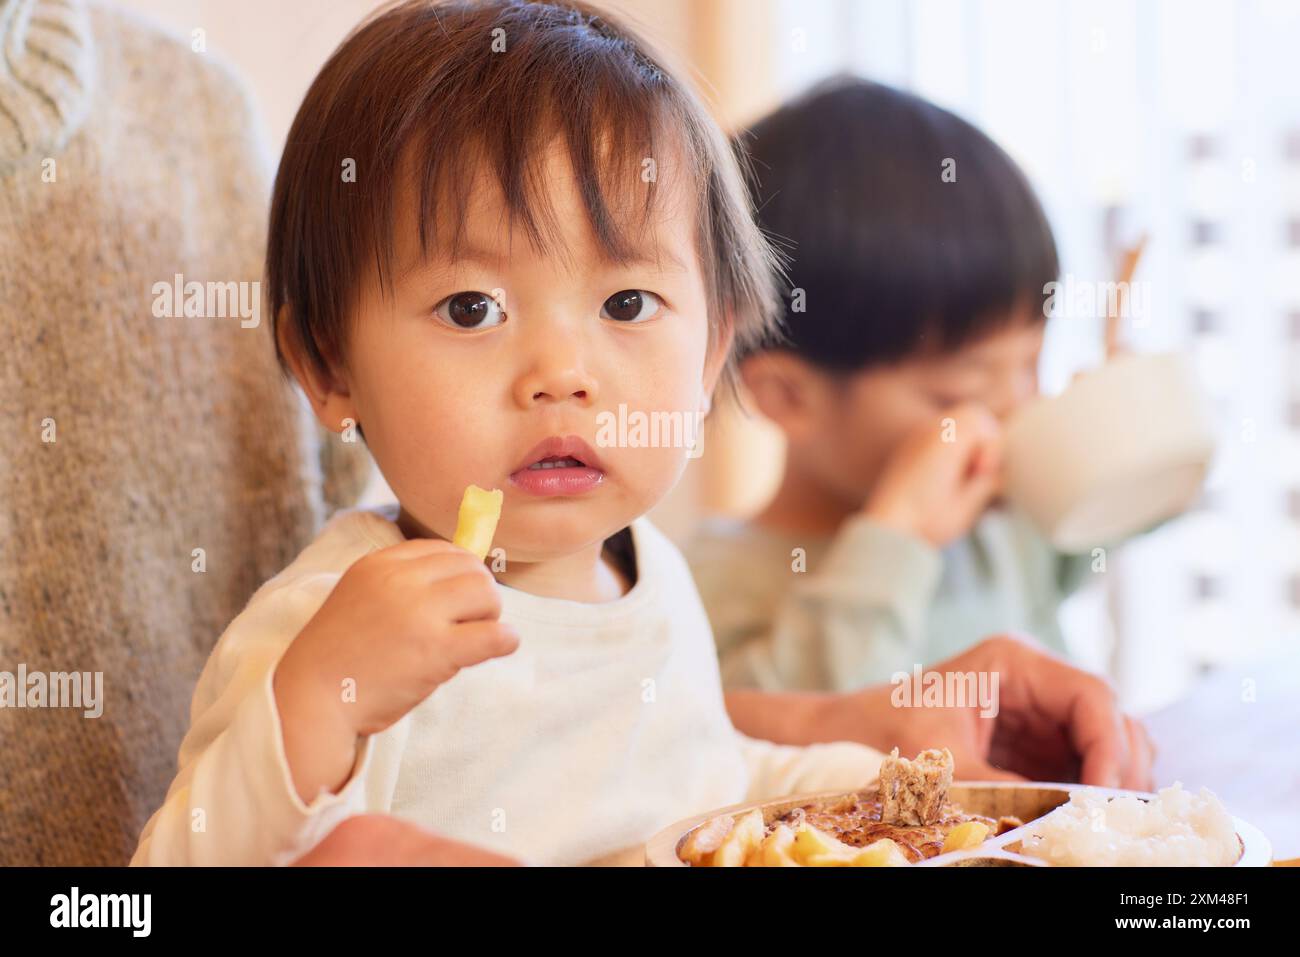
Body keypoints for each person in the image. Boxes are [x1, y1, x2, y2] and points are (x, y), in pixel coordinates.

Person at [689, 77, 1137, 693]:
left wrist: (1119, 428)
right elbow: (804, 737)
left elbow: (1127, 510)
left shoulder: (998, 532)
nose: (1014, 411)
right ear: (788, 396)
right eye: (958, 396)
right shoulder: (712, 585)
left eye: (1031, 364)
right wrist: (896, 533)